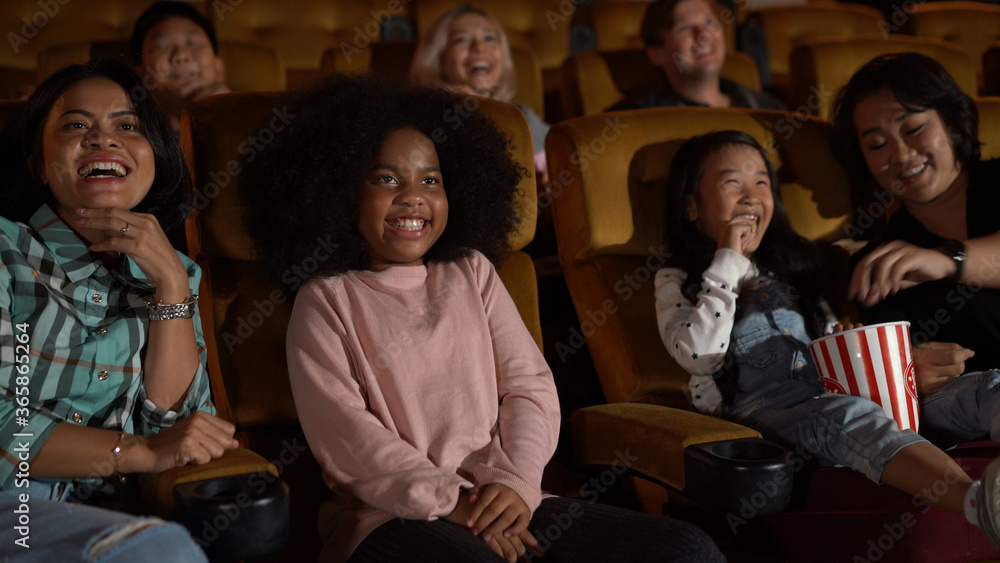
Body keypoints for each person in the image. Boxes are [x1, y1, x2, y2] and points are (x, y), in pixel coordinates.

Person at [238, 72, 726, 563]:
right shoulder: (325, 299)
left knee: (689, 550)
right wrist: (456, 502)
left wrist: (515, 483)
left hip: (510, 500)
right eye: (387, 178)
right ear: (340, 191)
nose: (413, 196)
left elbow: (529, 388)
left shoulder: (471, 271)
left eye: (431, 179)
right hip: (390, 519)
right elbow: (349, 440)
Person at [654, 129, 1000, 549]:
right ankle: (980, 504)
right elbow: (699, 354)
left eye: (762, 182)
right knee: (844, 414)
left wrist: (855, 348)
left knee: (978, 387)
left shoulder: (795, 269)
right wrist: (728, 260)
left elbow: (832, 348)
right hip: (766, 417)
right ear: (691, 206)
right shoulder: (678, 279)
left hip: (836, 390)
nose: (751, 195)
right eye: (732, 182)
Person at [0, 58, 238, 561]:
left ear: (153, 157)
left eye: (127, 126)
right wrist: (140, 454)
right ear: (40, 166)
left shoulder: (178, 275)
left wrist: (170, 288)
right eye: (76, 125)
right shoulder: (6, 251)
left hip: (99, 516)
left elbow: (179, 433)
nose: (102, 139)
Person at [833, 52, 1000, 388]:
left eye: (914, 128)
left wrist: (947, 260)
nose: (901, 155)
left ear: (952, 123)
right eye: (877, 144)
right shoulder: (880, 264)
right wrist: (908, 373)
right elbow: (898, 370)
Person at [410, 5, 549, 174]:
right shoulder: (423, 120)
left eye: (489, 38)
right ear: (439, 60)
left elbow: (568, 163)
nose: (479, 47)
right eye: (461, 39)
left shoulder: (522, 115)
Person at [609, 0, 785, 111]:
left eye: (709, 22)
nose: (704, 34)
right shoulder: (639, 119)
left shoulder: (768, 108)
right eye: (684, 28)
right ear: (656, 54)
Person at [131, 1, 230, 133]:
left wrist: (232, 111)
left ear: (218, 68)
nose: (181, 55)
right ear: (139, 75)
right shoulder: (130, 138)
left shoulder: (252, 126)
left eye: (193, 43)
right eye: (162, 47)